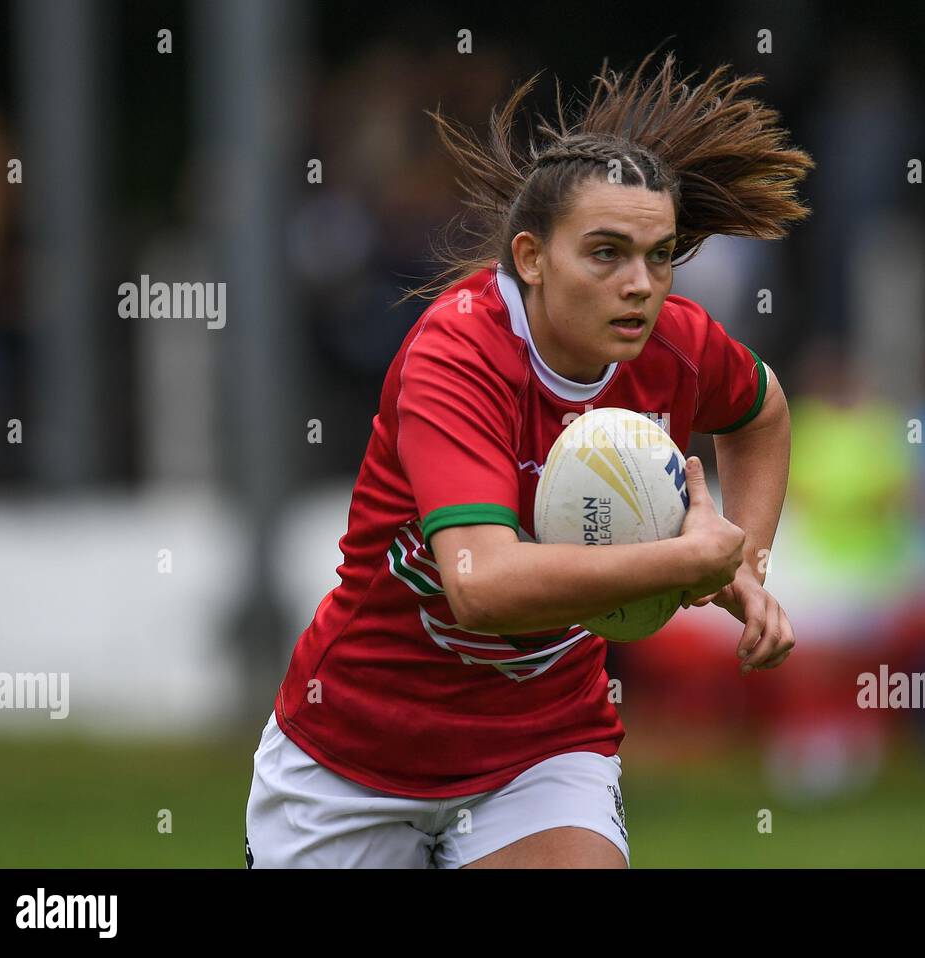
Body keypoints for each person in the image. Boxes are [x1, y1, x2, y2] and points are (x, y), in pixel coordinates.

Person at [245, 50, 812, 868]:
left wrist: (745, 565)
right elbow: (481, 586)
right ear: (531, 257)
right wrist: (679, 560)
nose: (642, 285)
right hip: (357, 754)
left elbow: (763, 413)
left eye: (660, 255)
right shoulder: (457, 352)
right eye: (607, 252)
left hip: (540, 745)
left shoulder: (675, 345)